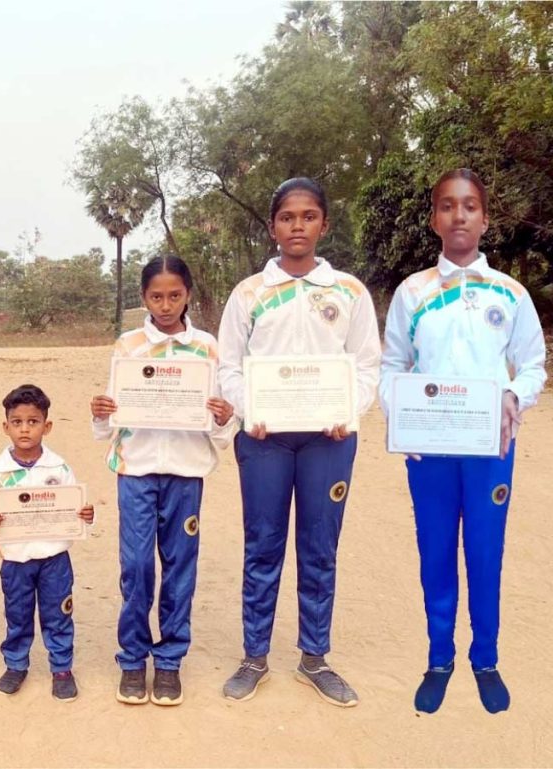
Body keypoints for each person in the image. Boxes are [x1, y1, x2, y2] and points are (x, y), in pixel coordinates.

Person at [379, 169, 546, 714]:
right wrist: (403, 418)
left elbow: (535, 366)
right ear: (434, 219)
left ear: (485, 218)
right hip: (430, 453)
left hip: (490, 451)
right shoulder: (413, 292)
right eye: (448, 206)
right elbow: (392, 367)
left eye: (470, 205)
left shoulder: (511, 294)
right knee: (435, 555)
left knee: (485, 552)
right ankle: (439, 657)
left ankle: (487, 658)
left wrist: (512, 398)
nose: (459, 215)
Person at [217, 177, 380, 707]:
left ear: (324, 224)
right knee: (262, 546)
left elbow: (366, 367)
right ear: (272, 227)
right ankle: (254, 657)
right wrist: (251, 411)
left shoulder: (349, 292)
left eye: (308, 216)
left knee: (319, 548)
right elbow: (229, 368)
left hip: (328, 441)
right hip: (265, 440)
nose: (297, 226)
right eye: (287, 217)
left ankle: (315, 658)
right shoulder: (249, 294)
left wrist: (345, 410)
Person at [90, 254, 236, 706]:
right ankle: (132, 659)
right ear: (143, 298)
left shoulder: (208, 348)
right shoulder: (128, 345)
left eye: (175, 295)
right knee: (135, 567)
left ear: (188, 294)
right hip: (135, 468)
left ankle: (169, 660)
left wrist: (222, 418)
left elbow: (221, 421)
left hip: (187, 472)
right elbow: (113, 414)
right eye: (157, 296)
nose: (166, 305)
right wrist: (102, 413)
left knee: (179, 566)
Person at [0, 384, 95, 702]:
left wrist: (84, 513)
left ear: (47, 425)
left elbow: (75, 506)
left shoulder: (59, 467)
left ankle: (62, 669)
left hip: (54, 558)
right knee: (18, 614)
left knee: (59, 613)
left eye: (33, 421)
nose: (25, 429)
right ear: (6, 427)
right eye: (17, 422)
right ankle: (15, 664)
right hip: (14, 559)